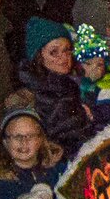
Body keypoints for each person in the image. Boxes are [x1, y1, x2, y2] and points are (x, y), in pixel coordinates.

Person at [15, 17, 95, 151]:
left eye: (67, 50)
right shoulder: (43, 93)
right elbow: (71, 137)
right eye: (54, 52)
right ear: (39, 57)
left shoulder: (63, 83)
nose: (64, 57)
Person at [0, 103, 66, 199]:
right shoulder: (2, 184)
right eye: (16, 136)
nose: (23, 142)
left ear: (40, 139)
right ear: (5, 142)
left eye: (30, 136)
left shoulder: (60, 172)